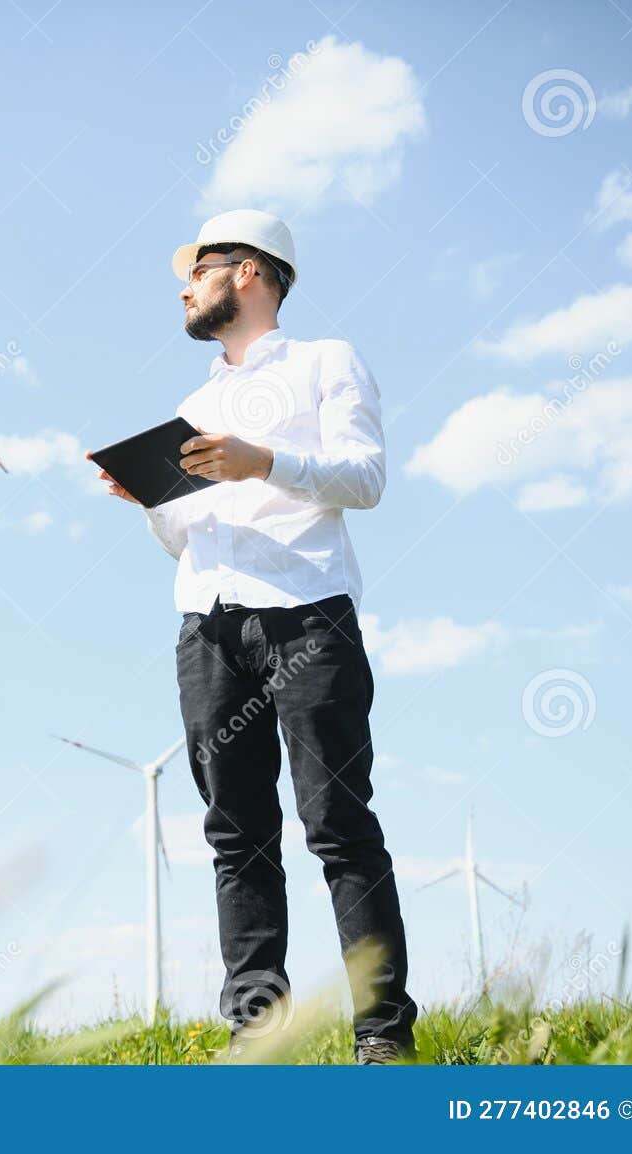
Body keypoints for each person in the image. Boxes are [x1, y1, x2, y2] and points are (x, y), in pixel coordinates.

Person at [89, 209, 418, 1064]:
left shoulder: (325, 362)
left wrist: (260, 460)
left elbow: (367, 478)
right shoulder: (193, 404)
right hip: (208, 626)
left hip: (307, 614)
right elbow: (188, 535)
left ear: (247, 272)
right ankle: (255, 1038)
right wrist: (153, 503)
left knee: (339, 823)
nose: (184, 289)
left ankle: (383, 1037)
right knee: (236, 836)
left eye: (196, 272)